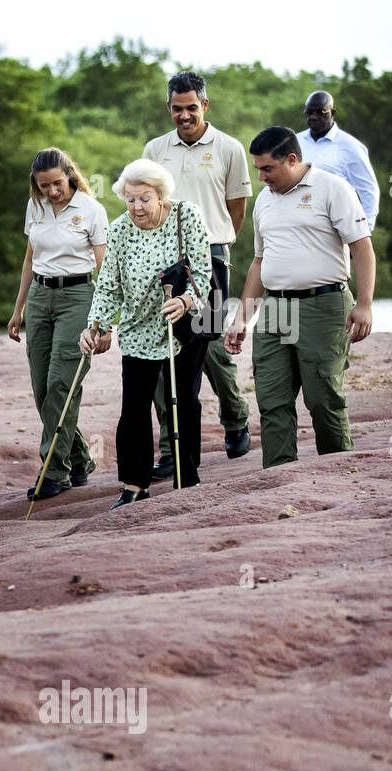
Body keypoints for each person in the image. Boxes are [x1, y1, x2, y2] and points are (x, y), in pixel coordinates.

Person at [224, 126, 375, 468]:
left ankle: (336, 469)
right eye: (257, 168)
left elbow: (362, 247)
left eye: (267, 169)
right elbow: (259, 262)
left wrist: (365, 303)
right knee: (272, 397)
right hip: (276, 308)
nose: (260, 177)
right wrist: (242, 317)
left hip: (323, 305)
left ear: (291, 160)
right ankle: (279, 475)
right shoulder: (264, 200)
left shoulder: (333, 189)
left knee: (323, 396)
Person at [81, 159, 212, 508]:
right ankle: (134, 484)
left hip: (181, 327)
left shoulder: (187, 217)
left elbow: (203, 273)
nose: (136, 207)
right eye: (130, 199)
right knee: (134, 409)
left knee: (182, 401)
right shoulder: (120, 229)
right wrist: (98, 325)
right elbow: (108, 287)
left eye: (144, 199)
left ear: (160, 195)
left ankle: (187, 475)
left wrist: (185, 301)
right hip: (138, 328)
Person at [142, 70, 253, 477]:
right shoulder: (154, 149)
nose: (184, 115)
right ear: (168, 108)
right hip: (164, 260)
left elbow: (236, 209)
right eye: (177, 108)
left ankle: (235, 415)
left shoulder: (229, 148)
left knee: (211, 348)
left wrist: (214, 249)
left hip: (212, 255)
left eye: (191, 107)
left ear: (205, 105)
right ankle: (172, 449)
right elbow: (148, 204)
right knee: (163, 351)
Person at [8, 148, 108, 500]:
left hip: (78, 299)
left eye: (57, 183)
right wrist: (18, 308)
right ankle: (79, 456)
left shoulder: (92, 211)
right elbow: (30, 257)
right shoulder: (35, 207)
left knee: (61, 386)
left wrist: (104, 323)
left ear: (70, 174)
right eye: (44, 185)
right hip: (39, 297)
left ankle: (54, 472)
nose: (52, 191)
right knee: (41, 389)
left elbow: (105, 269)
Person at [297, 91, 380, 230]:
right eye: (309, 113)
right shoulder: (295, 141)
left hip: (335, 225)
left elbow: (367, 189)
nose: (314, 117)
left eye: (320, 112)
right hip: (299, 224)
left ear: (332, 113)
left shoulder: (351, 146)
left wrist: (365, 228)